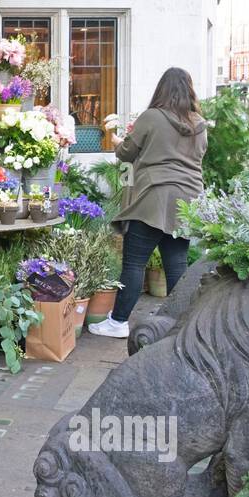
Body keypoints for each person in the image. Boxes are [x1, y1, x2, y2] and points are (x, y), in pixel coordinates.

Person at [89, 67, 208, 339]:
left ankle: (118, 322)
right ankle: (181, 324)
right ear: (189, 91)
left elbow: (126, 152)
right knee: (176, 263)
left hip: (153, 199)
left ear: (161, 89)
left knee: (134, 263)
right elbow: (198, 158)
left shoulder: (152, 117)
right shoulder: (199, 124)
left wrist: (119, 141)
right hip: (187, 201)